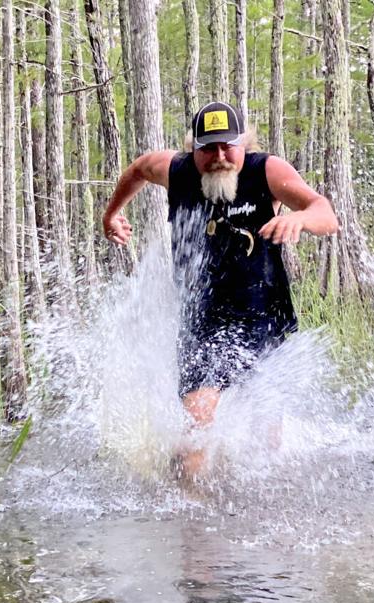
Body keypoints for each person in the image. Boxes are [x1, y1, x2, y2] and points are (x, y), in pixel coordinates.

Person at [101, 101, 340, 480]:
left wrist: (301, 218)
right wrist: (111, 214)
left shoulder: (266, 171)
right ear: (192, 149)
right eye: (208, 148)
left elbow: (325, 213)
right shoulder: (175, 170)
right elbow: (138, 169)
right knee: (196, 420)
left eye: (228, 146)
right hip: (203, 316)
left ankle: (258, 514)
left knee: (267, 438)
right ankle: (187, 515)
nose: (219, 157)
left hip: (263, 313)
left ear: (244, 143)